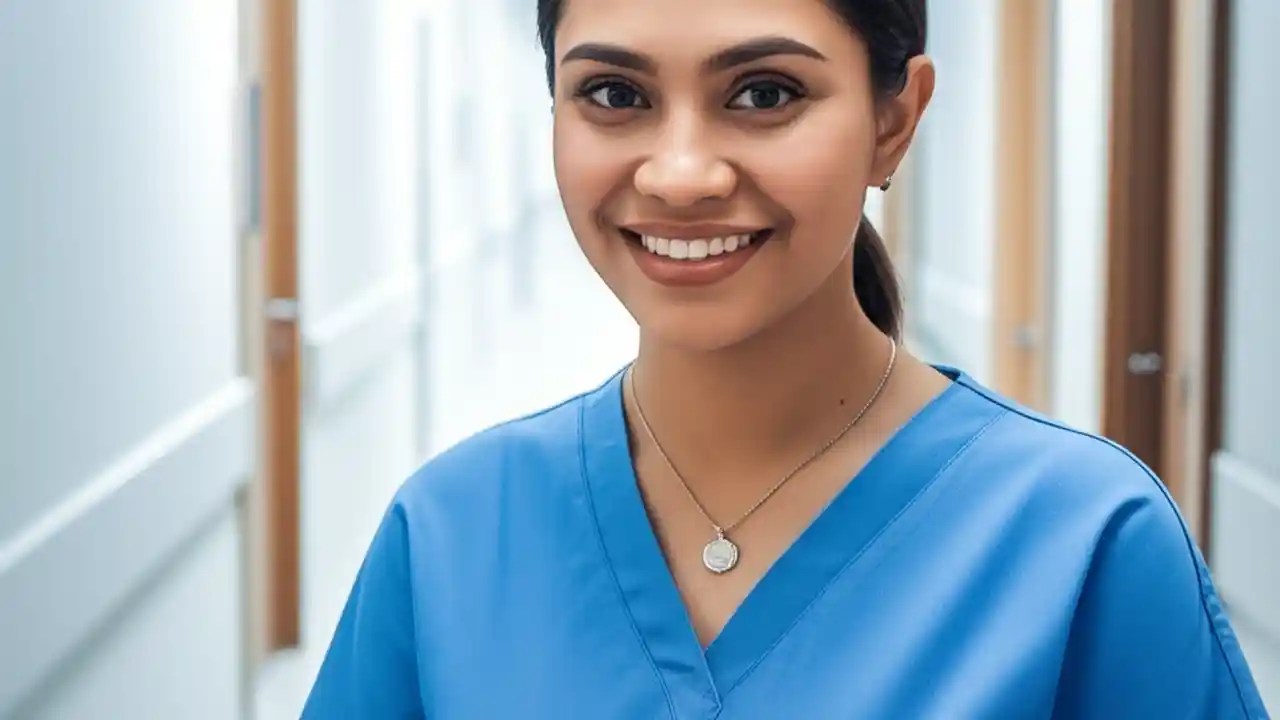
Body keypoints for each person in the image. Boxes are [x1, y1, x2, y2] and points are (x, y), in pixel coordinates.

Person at [302, 0, 1269, 717]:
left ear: (895, 121)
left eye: (764, 94)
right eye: (614, 94)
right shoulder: (452, 533)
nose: (680, 174)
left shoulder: (1085, 540)